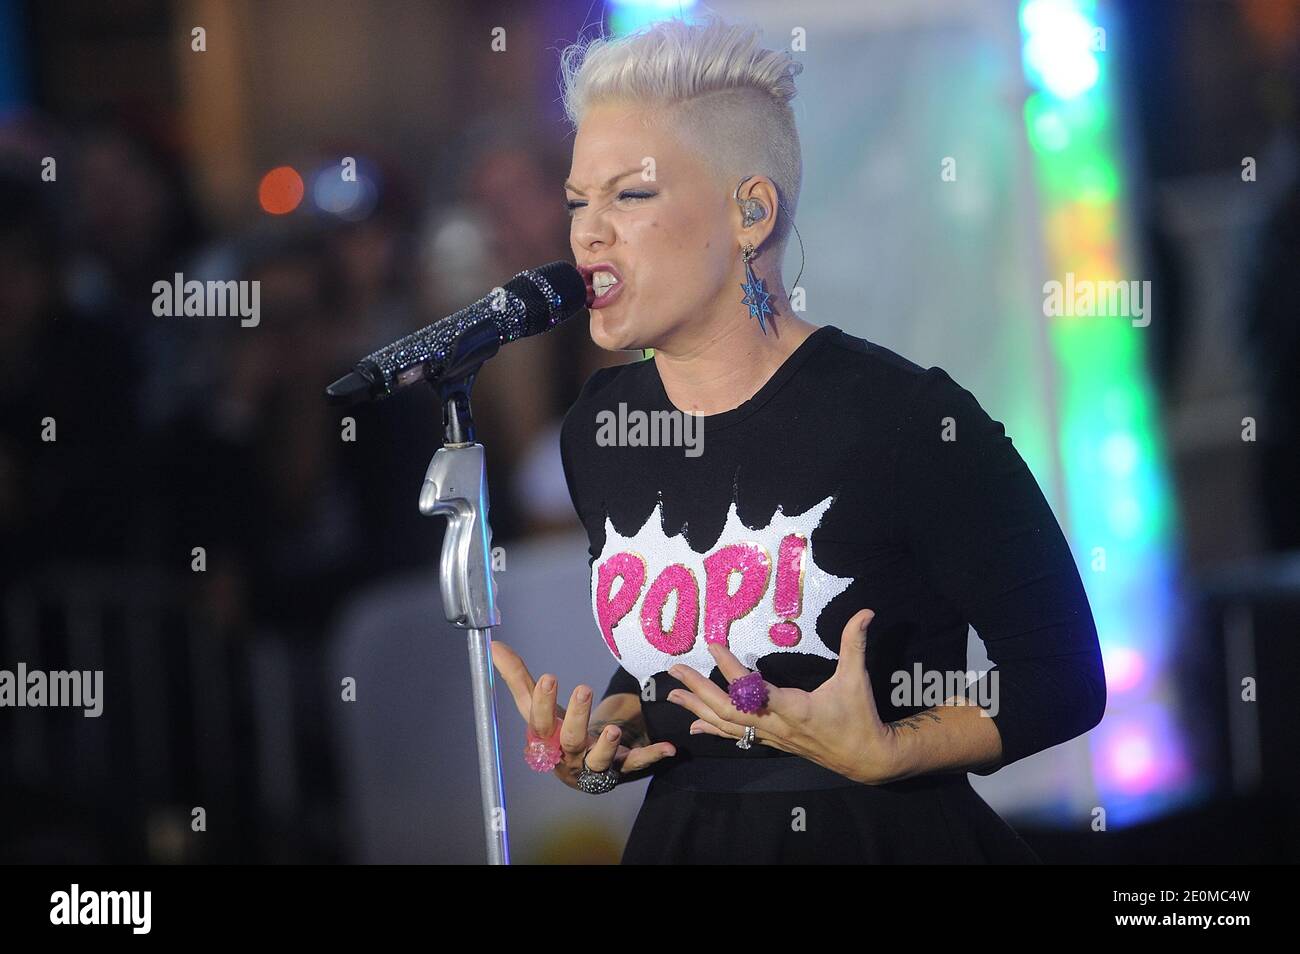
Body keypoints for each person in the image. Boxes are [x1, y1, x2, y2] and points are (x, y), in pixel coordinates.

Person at [490, 15, 1106, 864]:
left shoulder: (905, 420)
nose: (587, 234)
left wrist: (891, 748)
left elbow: (1061, 678)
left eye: (629, 196)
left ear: (751, 210)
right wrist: (611, 739)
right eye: (576, 202)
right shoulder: (602, 430)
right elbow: (682, 670)